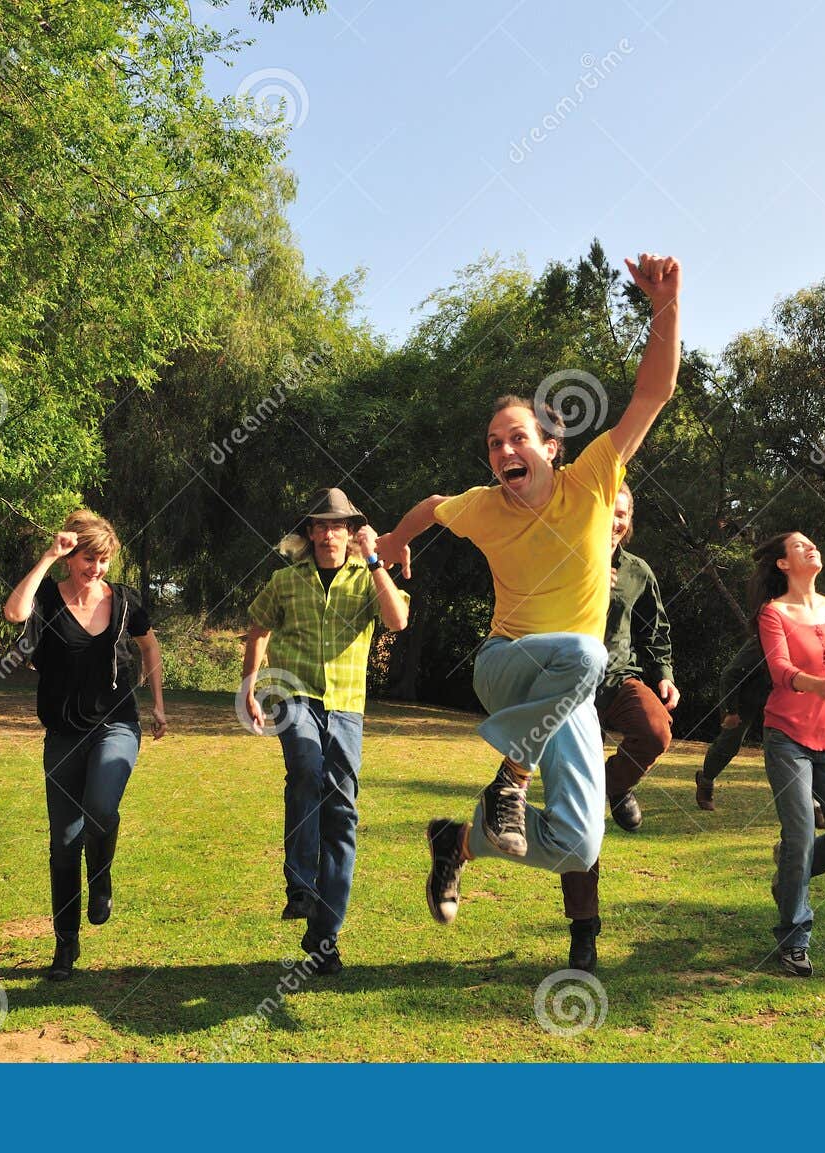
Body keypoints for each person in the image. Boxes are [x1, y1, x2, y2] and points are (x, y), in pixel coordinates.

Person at [376, 252, 681, 936]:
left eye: (517, 438)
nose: (502, 450)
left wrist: (665, 305)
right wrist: (396, 542)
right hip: (507, 665)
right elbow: (430, 505)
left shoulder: (596, 479)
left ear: (552, 446)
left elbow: (653, 393)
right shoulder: (486, 505)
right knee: (584, 652)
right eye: (493, 443)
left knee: (580, 841)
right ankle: (509, 783)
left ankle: (457, 841)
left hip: (567, 686)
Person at [242, 487, 410, 976]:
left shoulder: (368, 578)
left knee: (342, 813)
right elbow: (257, 628)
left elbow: (396, 621)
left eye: (340, 525)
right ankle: (300, 884)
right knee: (307, 767)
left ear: (352, 532)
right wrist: (249, 686)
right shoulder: (285, 580)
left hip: (347, 706)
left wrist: (377, 559)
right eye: (322, 525)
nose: (330, 533)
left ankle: (323, 935)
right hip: (295, 695)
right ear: (310, 532)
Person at [2, 510, 167, 981]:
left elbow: (150, 647)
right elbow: (14, 613)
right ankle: (65, 945)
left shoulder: (125, 602)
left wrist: (157, 704)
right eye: (88, 559)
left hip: (117, 723)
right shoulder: (48, 600)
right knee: (62, 844)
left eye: (104, 560)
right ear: (71, 556)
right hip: (63, 732)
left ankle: (102, 874)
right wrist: (47, 556)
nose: (96, 568)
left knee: (100, 807)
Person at [558, 483, 679, 971]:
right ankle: (584, 929)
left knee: (656, 731)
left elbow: (656, 630)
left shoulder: (637, 571)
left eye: (623, 515)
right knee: (577, 817)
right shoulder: (560, 555)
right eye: (609, 512)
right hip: (568, 694)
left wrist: (666, 675)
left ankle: (612, 788)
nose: (616, 522)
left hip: (619, 680)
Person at [751, 530, 825, 977]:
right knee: (799, 833)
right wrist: (814, 685)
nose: (811, 547)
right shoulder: (773, 613)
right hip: (787, 736)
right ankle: (795, 939)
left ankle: (789, 872)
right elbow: (780, 670)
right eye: (799, 546)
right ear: (783, 564)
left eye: (812, 543)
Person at [697, 636, 825, 829]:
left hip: (783, 699)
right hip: (746, 697)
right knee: (730, 742)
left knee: (796, 747)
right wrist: (730, 712)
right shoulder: (764, 640)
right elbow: (730, 674)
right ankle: (706, 780)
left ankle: (813, 804)